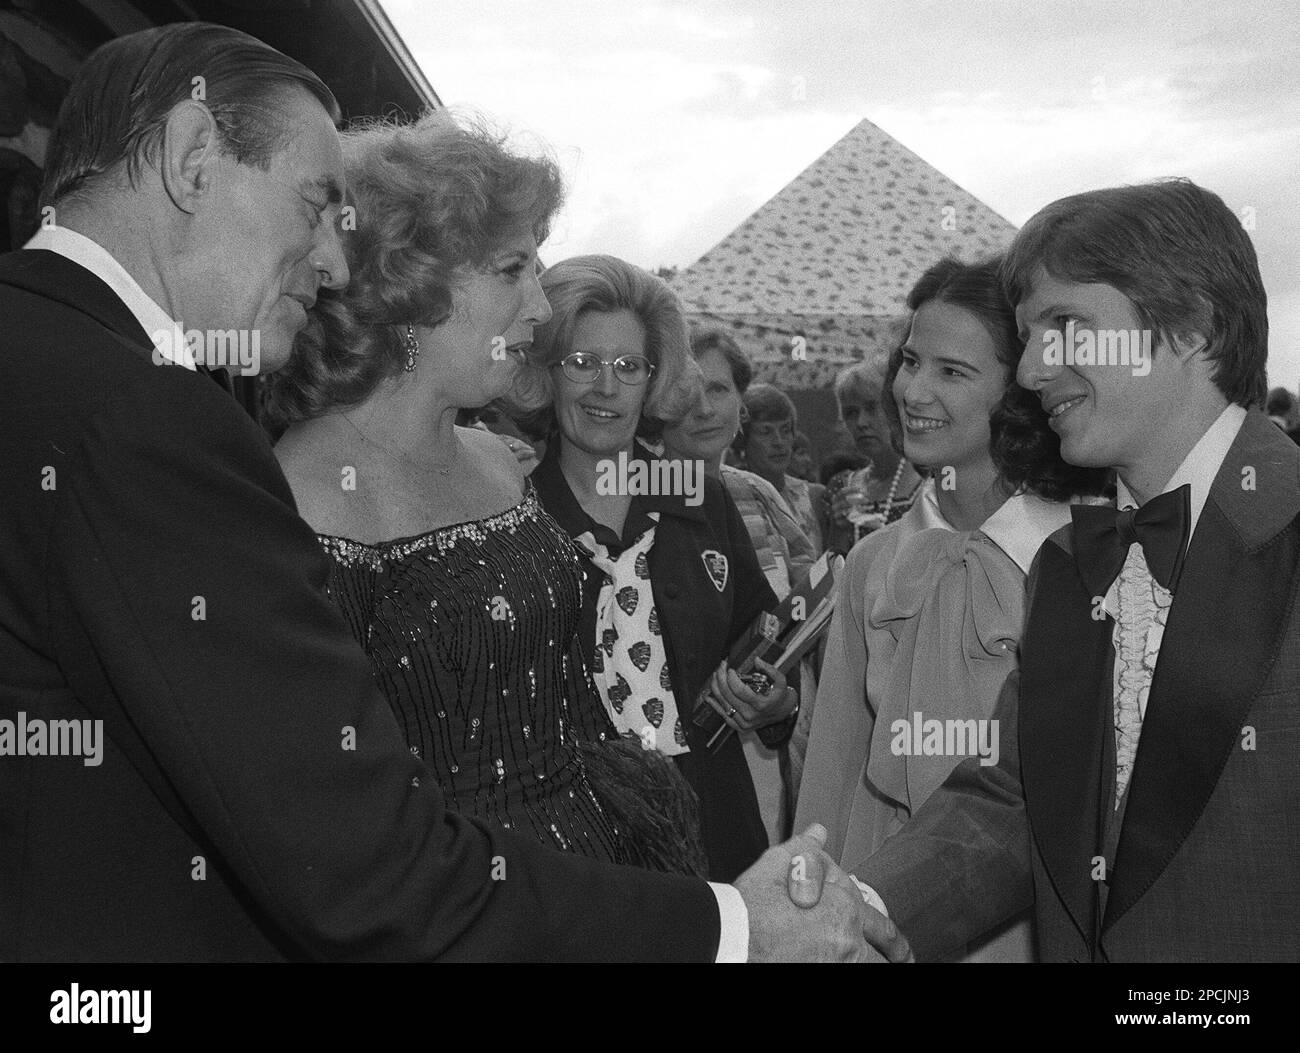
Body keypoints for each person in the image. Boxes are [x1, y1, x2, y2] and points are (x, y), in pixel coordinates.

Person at [0, 22, 905, 962]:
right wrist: (734, 924)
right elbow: (352, 860)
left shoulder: (59, 366)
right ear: (193, 160)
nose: (332, 259)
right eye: (312, 204)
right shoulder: (158, 421)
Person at [854, 178, 1300, 962]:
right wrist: (849, 918)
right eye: (1028, 336)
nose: (1029, 371)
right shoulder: (1069, 561)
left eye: (1065, 326)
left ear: (1191, 324)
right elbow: (1017, 802)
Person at [267, 112, 704, 874]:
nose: (539, 306)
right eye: (513, 268)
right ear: (413, 281)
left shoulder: (499, 458)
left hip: (602, 875)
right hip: (463, 904)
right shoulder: (306, 496)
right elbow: (320, 815)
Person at [794, 257, 1108, 961]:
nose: (912, 389)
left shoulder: (1090, 555)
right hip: (882, 913)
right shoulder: (873, 564)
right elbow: (831, 774)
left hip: (1036, 928)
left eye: (952, 371)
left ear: (1021, 389)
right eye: (909, 361)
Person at [529, 256, 800, 881]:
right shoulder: (510, 510)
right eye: (581, 363)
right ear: (546, 370)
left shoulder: (703, 498)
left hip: (721, 835)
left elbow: (765, 645)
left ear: (655, 380)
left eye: (629, 367)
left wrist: (775, 705)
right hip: (576, 856)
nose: (605, 387)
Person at [662, 326, 817, 843]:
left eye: (720, 390)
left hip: (771, 742)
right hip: (687, 760)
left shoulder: (759, 494)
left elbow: (804, 610)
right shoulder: (632, 500)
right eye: (688, 391)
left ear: (741, 403)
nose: (704, 408)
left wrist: (782, 704)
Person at [824, 359, 924, 555]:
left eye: (871, 408)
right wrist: (838, 532)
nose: (861, 422)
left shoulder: (931, 484)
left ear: (897, 409)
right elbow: (832, 573)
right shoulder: (841, 486)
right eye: (851, 413)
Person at [737, 383, 828, 552]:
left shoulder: (816, 497)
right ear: (744, 440)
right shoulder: (729, 497)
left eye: (785, 430)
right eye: (766, 432)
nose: (779, 442)